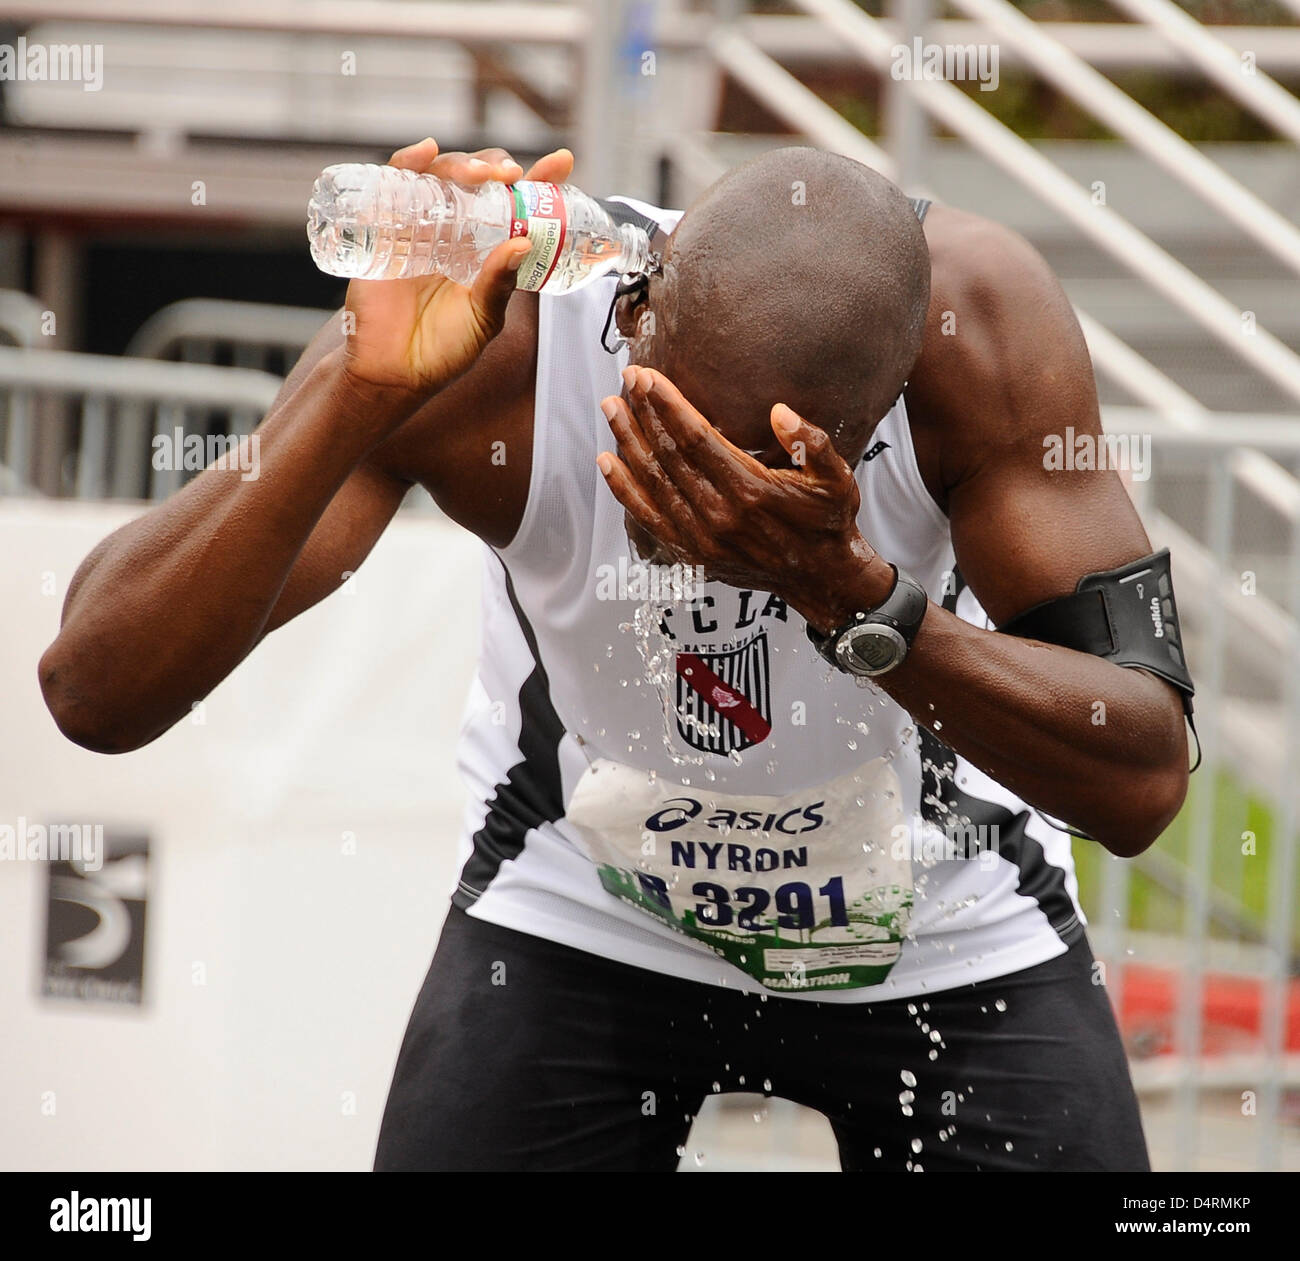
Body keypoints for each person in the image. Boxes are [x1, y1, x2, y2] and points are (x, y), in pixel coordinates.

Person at [40, 139, 1192, 1172]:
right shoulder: (511, 333)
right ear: (637, 314)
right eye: (657, 419)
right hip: (588, 906)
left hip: (941, 931)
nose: (685, 500)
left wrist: (855, 600)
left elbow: (1138, 774)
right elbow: (94, 686)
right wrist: (356, 386)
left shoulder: (977, 333)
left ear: (877, 421)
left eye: (743, 465)